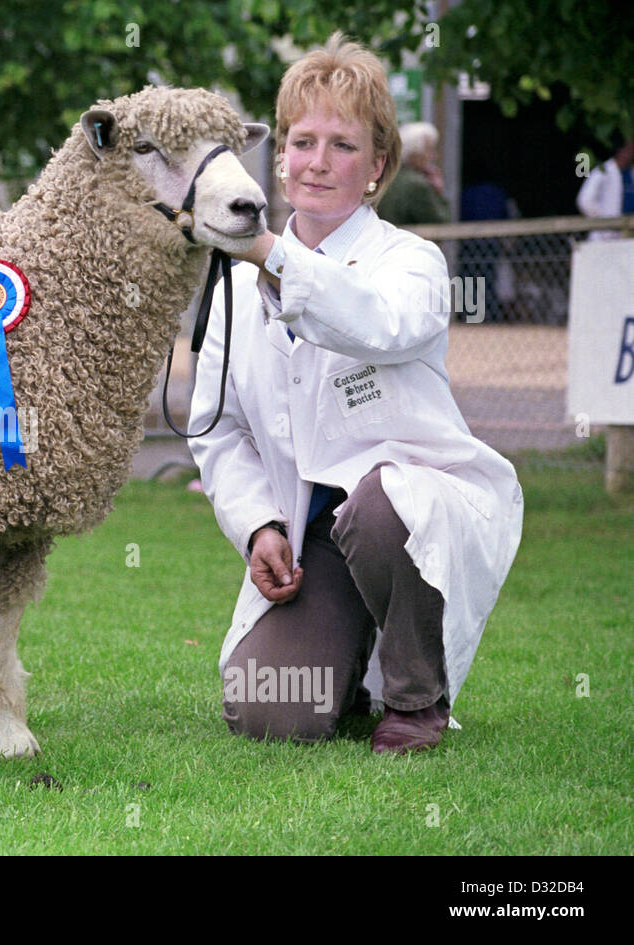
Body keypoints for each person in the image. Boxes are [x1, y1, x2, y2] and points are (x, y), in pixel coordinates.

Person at [188, 32, 523, 754]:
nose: (317, 161)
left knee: (382, 504)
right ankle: (349, 671)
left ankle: (413, 699)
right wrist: (257, 527)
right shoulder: (236, 288)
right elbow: (217, 433)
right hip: (314, 535)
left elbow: (380, 323)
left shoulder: (411, 263)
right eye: (301, 140)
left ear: (377, 167)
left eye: (343, 145)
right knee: (268, 710)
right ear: (279, 157)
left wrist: (272, 256)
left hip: (405, 515)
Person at [376, 121, 449, 226]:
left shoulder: (384, 176)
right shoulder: (417, 184)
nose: (434, 156)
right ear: (414, 152)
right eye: (429, 150)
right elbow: (441, 222)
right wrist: (439, 192)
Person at [576, 139, 634, 240]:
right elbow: (585, 200)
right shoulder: (603, 171)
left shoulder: (631, 172)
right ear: (620, 150)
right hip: (605, 235)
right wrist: (605, 219)